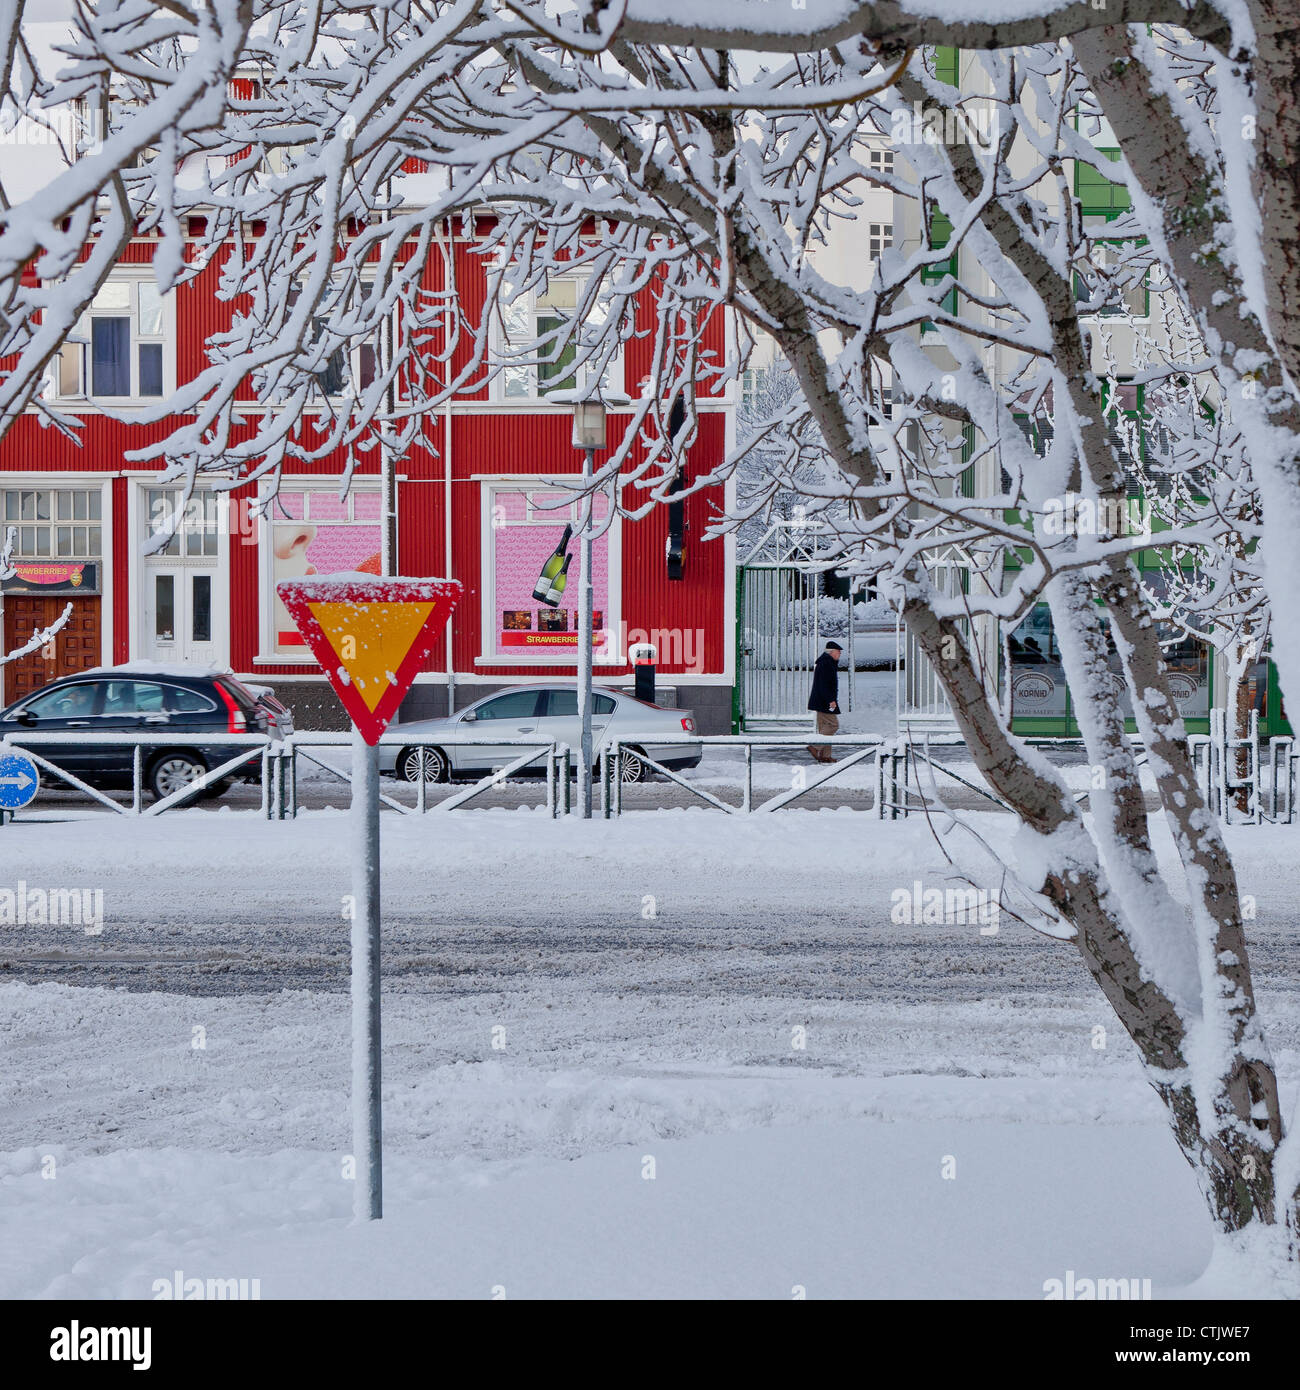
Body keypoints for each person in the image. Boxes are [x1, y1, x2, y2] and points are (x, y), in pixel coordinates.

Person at [807, 640, 842, 763]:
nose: (840, 654)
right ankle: (815, 747)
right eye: (838, 652)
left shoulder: (826, 662)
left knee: (824, 727)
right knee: (833, 725)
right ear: (831, 652)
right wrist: (831, 700)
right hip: (824, 701)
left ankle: (825, 755)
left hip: (821, 700)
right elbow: (824, 685)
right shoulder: (826, 663)